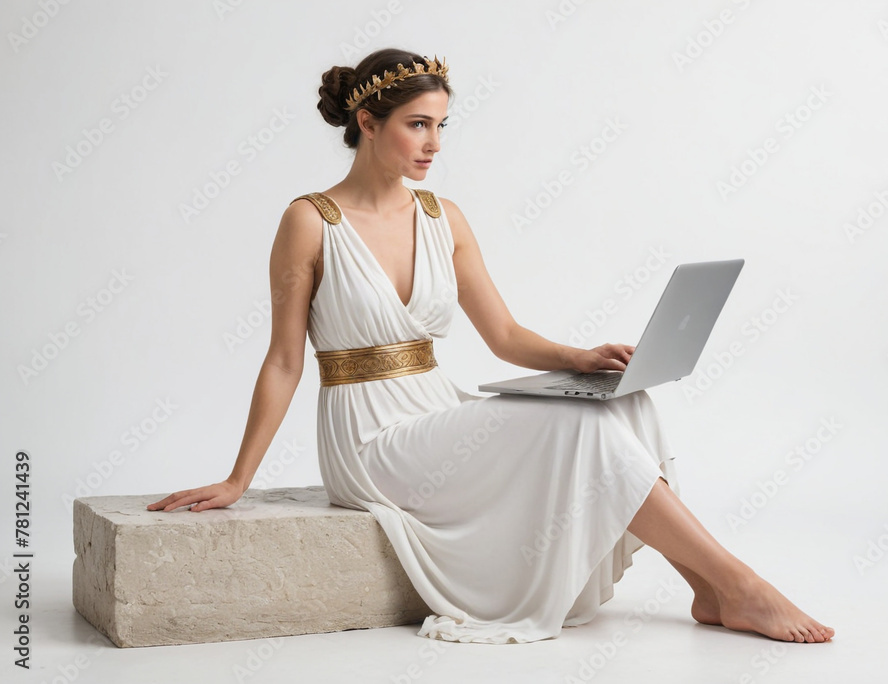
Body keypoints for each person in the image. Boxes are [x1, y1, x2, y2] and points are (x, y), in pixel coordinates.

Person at [147, 48, 834, 645]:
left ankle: (709, 591)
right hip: (369, 438)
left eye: (441, 125)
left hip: (433, 406)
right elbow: (284, 359)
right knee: (577, 430)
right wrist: (238, 480)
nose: (434, 143)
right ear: (366, 122)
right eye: (418, 124)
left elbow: (503, 337)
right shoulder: (309, 221)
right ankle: (741, 582)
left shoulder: (445, 217)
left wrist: (579, 358)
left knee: (622, 404)